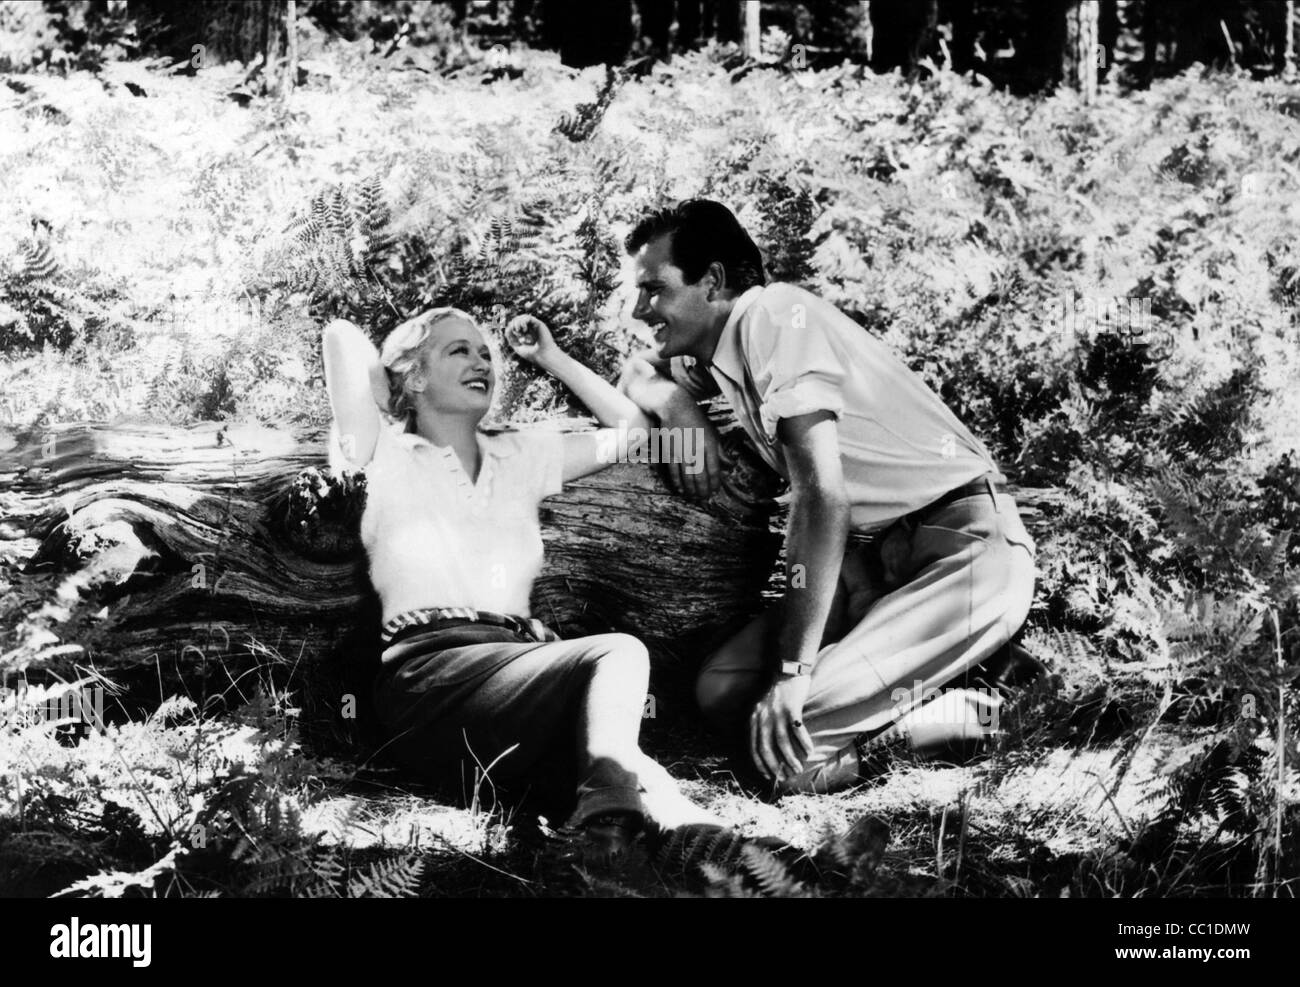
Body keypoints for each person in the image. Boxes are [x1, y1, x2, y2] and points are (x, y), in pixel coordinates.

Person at [617, 199, 1041, 795]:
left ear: (712, 280)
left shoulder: (775, 316)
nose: (640, 310)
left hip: (961, 553)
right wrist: (678, 408)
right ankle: (955, 665)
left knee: (784, 757)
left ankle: (993, 712)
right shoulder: (719, 348)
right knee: (721, 690)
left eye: (653, 290)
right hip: (876, 567)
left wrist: (794, 673)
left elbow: (823, 500)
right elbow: (634, 370)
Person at [322, 307, 718, 855]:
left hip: (515, 684)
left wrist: (549, 357)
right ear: (410, 375)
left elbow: (630, 432)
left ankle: (750, 864)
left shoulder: (518, 455)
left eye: (484, 352)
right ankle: (604, 828)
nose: (481, 359)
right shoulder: (379, 452)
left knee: (650, 784)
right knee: (617, 656)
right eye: (457, 350)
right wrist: (389, 390)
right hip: (429, 680)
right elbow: (341, 335)